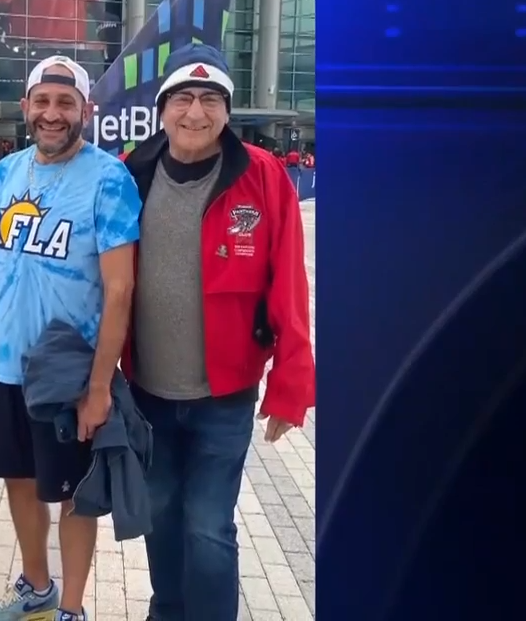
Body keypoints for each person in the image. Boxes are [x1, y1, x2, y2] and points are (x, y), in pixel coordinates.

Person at [125, 44, 315, 620]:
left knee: (209, 527)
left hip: (225, 395)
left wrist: (292, 385)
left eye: (211, 99)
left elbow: (289, 285)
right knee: (159, 515)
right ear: (162, 109)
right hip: (145, 390)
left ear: (228, 111)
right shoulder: (131, 171)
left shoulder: (262, 176)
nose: (196, 112)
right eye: (183, 97)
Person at [0, 56, 141, 621]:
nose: (52, 113)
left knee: (74, 495)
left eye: (65, 103)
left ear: (86, 111)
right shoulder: (4, 174)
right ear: (25, 107)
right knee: (19, 481)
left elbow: (120, 291)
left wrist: (98, 387)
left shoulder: (109, 178)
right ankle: (38, 586)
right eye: (41, 101)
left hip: (69, 373)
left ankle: (71, 608)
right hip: (6, 364)